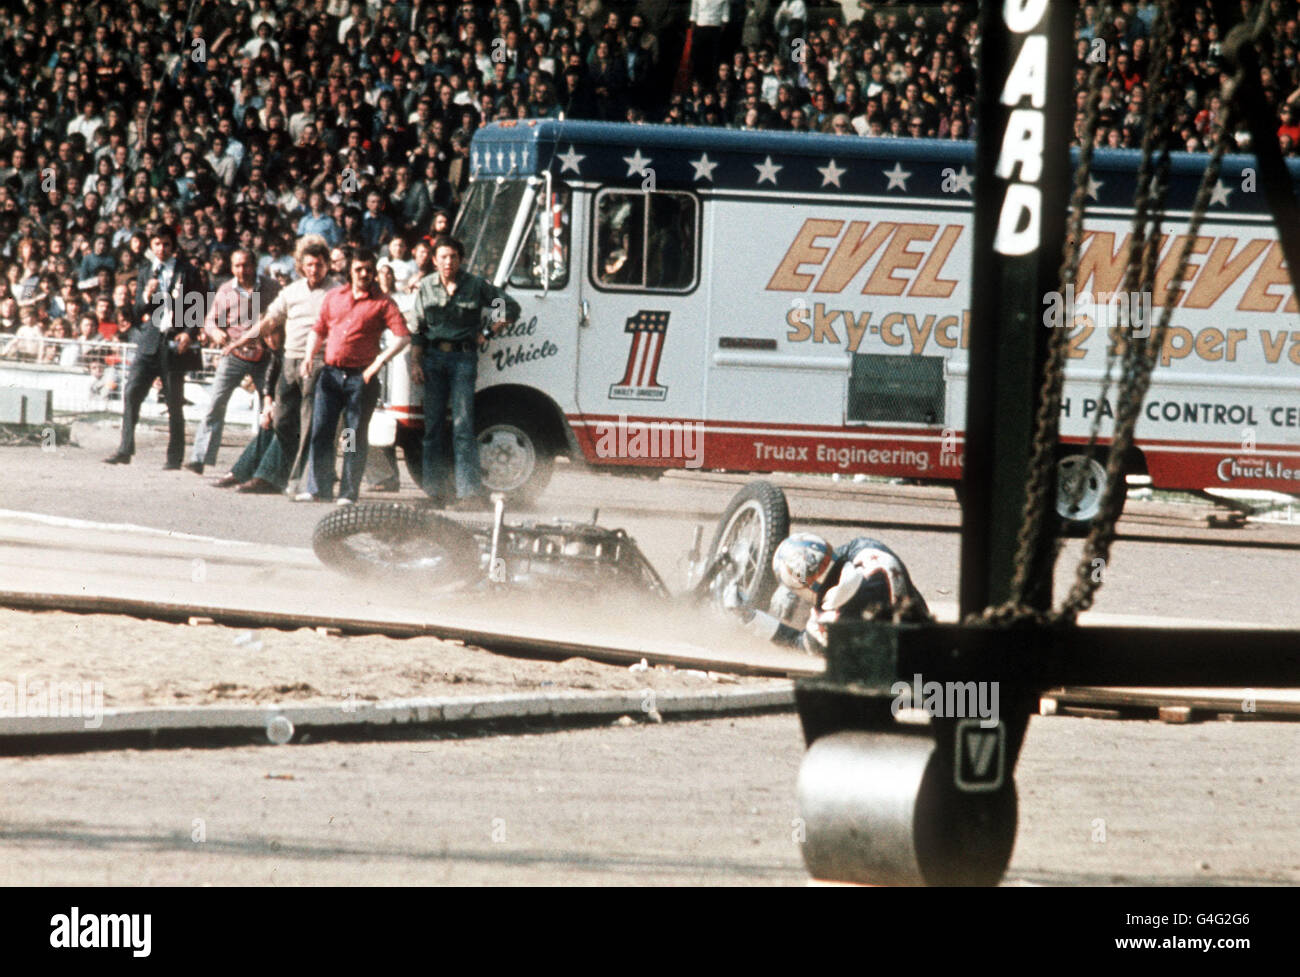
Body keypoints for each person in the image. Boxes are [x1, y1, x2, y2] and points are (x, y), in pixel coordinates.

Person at [408, 234, 520, 510]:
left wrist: (487, 331)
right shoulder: (425, 286)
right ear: (434, 261)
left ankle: (468, 495)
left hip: (463, 359)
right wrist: (415, 363)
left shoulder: (475, 285)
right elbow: (418, 330)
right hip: (433, 359)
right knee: (433, 428)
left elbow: (510, 307)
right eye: (443, 257)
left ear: (461, 259)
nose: (448, 262)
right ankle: (434, 492)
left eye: (453, 257)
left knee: (462, 426)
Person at [222, 236, 336, 494]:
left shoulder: (336, 292)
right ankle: (275, 475)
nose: (314, 269)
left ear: (327, 265)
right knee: (282, 421)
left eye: (319, 264)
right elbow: (269, 321)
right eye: (309, 264)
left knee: (311, 426)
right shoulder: (292, 291)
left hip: (318, 363)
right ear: (301, 266)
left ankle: (298, 481)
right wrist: (240, 341)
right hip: (290, 361)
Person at [298, 249, 410, 504]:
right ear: (351, 270)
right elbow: (318, 329)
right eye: (359, 269)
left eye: (369, 269)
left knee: (351, 435)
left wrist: (378, 362)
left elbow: (403, 336)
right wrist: (308, 357)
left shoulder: (382, 302)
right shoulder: (334, 296)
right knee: (321, 431)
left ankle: (347, 492)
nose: (364, 274)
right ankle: (318, 488)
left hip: (361, 379)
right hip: (331, 374)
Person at [103, 226, 204, 469]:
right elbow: (137, 311)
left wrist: (189, 334)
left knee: (173, 403)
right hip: (149, 342)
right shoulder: (146, 271)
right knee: (131, 392)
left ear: (173, 246)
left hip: (174, 340)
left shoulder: (187, 271)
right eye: (157, 244)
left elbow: (198, 306)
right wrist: (147, 295)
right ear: (152, 246)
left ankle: (174, 457)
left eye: (166, 244)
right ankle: (125, 449)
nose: (161, 249)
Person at [730, 533, 931, 652]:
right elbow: (845, 551)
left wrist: (750, 617)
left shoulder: (825, 622)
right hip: (923, 629)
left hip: (890, 663)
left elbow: (797, 642)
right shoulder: (874, 553)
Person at [185, 248, 279, 474]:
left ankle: (265, 460)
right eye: (237, 266)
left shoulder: (272, 287)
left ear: (254, 265)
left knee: (270, 408)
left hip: (265, 354)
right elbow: (209, 321)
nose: (242, 270)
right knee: (215, 403)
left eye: (246, 265)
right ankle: (200, 457)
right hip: (233, 352)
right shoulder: (226, 290)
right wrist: (215, 332)